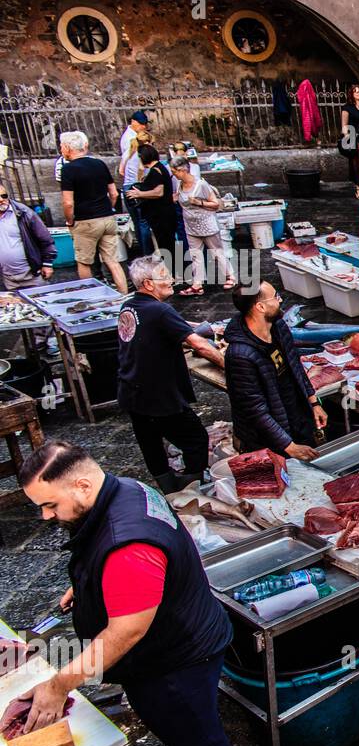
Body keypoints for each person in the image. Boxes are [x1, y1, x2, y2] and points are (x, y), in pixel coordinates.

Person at [14, 442, 239, 746]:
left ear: (82, 485)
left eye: (50, 505)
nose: (46, 515)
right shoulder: (124, 488)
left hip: (176, 657)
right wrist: (86, 586)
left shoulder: (128, 543)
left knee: (197, 731)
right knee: (176, 728)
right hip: (165, 644)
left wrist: (60, 684)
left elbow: (126, 631)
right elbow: (116, 565)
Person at [117, 256, 224, 492]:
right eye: (164, 276)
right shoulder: (160, 310)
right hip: (157, 395)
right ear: (148, 284)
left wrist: (206, 327)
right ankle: (192, 490)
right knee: (196, 439)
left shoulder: (130, 306)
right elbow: (201, 346)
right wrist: (230, 366)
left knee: (150, 442)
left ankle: (167, 490)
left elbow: (168, 323)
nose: (172, 280)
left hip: (131, 390)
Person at [225, 282, 327, 459]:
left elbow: (295, 366)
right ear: (261, 307)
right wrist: (288, 446)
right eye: (276, 296)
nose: (280, 300)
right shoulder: (240, 355)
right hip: (267, 438)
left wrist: (313, 403)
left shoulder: (278, 327)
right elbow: (255, 410)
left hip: (295, 417)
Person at [59, 130, 127, 293]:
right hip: (106, 217)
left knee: (84, 262)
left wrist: (69, 221)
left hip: (85, 220)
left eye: (62, 146)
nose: (61, 150)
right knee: (112, 261)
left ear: (68, 148)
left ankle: (91, 297)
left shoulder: (68, 170)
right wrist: (108, 208)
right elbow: (114, 193)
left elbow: (68, 202)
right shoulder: (99, 164)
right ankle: (123, 295)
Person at [171, 157, 233, 294]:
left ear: (183, 170)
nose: (173, 174)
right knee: (195, 255)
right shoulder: (179, 185)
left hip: (207, 224)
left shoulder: (201, 185)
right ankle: (197, 284)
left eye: (174, 171)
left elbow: (216, 204)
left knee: (216, 252)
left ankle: (230, 276)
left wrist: (199, 203)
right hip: (191, 225)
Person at [124, 145, 177, 268]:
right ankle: (175, 270)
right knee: (168, 244)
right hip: (162, 214)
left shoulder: (156, 171)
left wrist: (139, 193)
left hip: (162, 215)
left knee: (167, 244)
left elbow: (159, 192)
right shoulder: (159, 169)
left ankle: (174, 271)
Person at [0, 181, 55, 290]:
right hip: (8, 279)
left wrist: (47, 264)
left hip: (33, 275)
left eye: (4, 196)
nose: (1, 200)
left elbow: (45, 239)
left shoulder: (24, 213)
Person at [119, 110, 150, 251]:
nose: (144, 127)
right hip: (136, 184)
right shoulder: (131, 140)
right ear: (133, 122)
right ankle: (147, 253)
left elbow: (121, 169)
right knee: (143, 222)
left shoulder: (131, 140)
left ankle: (145, 253)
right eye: (141, 124)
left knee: (139, 222)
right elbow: (139, 167)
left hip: (129, 184)